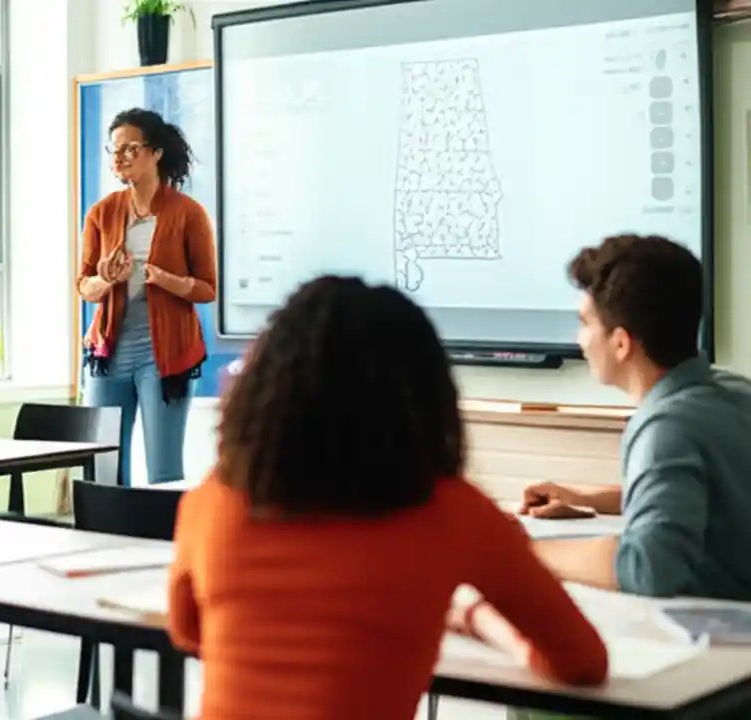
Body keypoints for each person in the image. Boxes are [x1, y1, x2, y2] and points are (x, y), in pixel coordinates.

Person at [167, 275, 608, 719]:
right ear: (426, 395)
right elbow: (582, 661)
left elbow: (189, 630)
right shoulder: (455, 512)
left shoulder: (213, 500)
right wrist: (476, 618)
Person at [517, 234, 751, 600]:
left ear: (621, 343)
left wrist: (522, 553)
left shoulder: (667, 427)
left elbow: (648, 566)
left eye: (585, 323)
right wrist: (586, 499)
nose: (579, 339)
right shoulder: (734, 392)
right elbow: (698, 500)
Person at [77, 108, 216, 486]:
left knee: (164, 471)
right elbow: (83, 285)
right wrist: (105, 281)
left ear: (156, 153)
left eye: (130, 148)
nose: (119, 157)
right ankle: (105, 543)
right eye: (114, 149)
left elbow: (207, 287)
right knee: (103, 471)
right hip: (109, 353)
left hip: (166, 356)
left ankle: (162, 545)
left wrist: (165, 278)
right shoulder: (102, 214)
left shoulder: (189, 214)